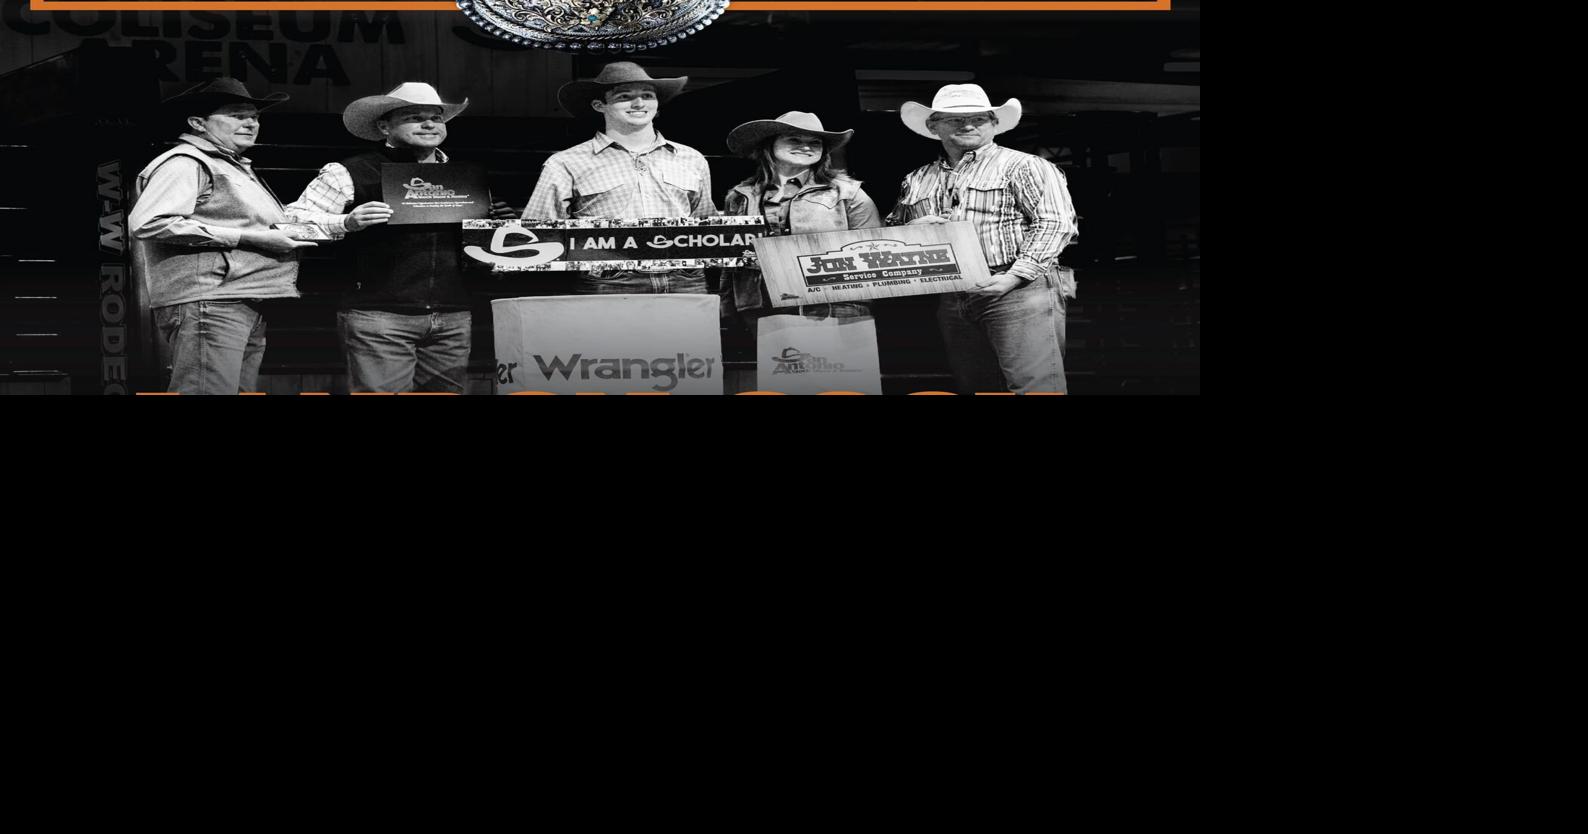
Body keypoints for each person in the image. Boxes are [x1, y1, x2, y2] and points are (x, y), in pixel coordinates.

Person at [284, 82, 516, 393]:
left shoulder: (466, 177)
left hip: (454, 313)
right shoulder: (349, 171)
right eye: (414, 117)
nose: (429, 124)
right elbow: (292, 223)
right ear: (384, 126)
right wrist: (346, 222)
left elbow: (480, 250)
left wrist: (497, 229)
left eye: (436, 117)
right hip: (379, 315)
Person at [885, 84, 1079, 394]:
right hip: (953, 294)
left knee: (1035, 386)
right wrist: (912, 228)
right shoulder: (917, 178)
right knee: (980, 387)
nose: (968, 125)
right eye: (955, 119)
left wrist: (1015, 276)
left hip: (1019, 289)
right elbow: (892, 230)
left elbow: (1055, 223)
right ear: (933, 126)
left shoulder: (1025, 165)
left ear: (994, 123)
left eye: (979, 118)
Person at [129, 78, 312, 394]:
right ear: (198, 123)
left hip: (238, 299)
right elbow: (149, 222)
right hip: (210, 301)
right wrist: (249, 238)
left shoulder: (230, 165)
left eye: (254, 116)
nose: (250, 123)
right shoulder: (186, 163)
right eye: (237, 115)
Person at [523, 61, 717, 294]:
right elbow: (539, 231)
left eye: (647, 95)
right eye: (624, 97)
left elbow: (707, 227)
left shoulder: (691, 158)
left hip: (685, 280)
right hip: (608, 281)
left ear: (657, 104)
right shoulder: (566, 163)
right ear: (599, 105)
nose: (639, 103)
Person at [719, 111, 882, 329]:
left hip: (834, 306)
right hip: (760, 307)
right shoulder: (740, 196)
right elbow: (728, 259)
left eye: (815, 142)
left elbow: (873, 252)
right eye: (794, 139)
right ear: (769, 144)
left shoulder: (848, 193)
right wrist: (727, 307)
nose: (806, 147)